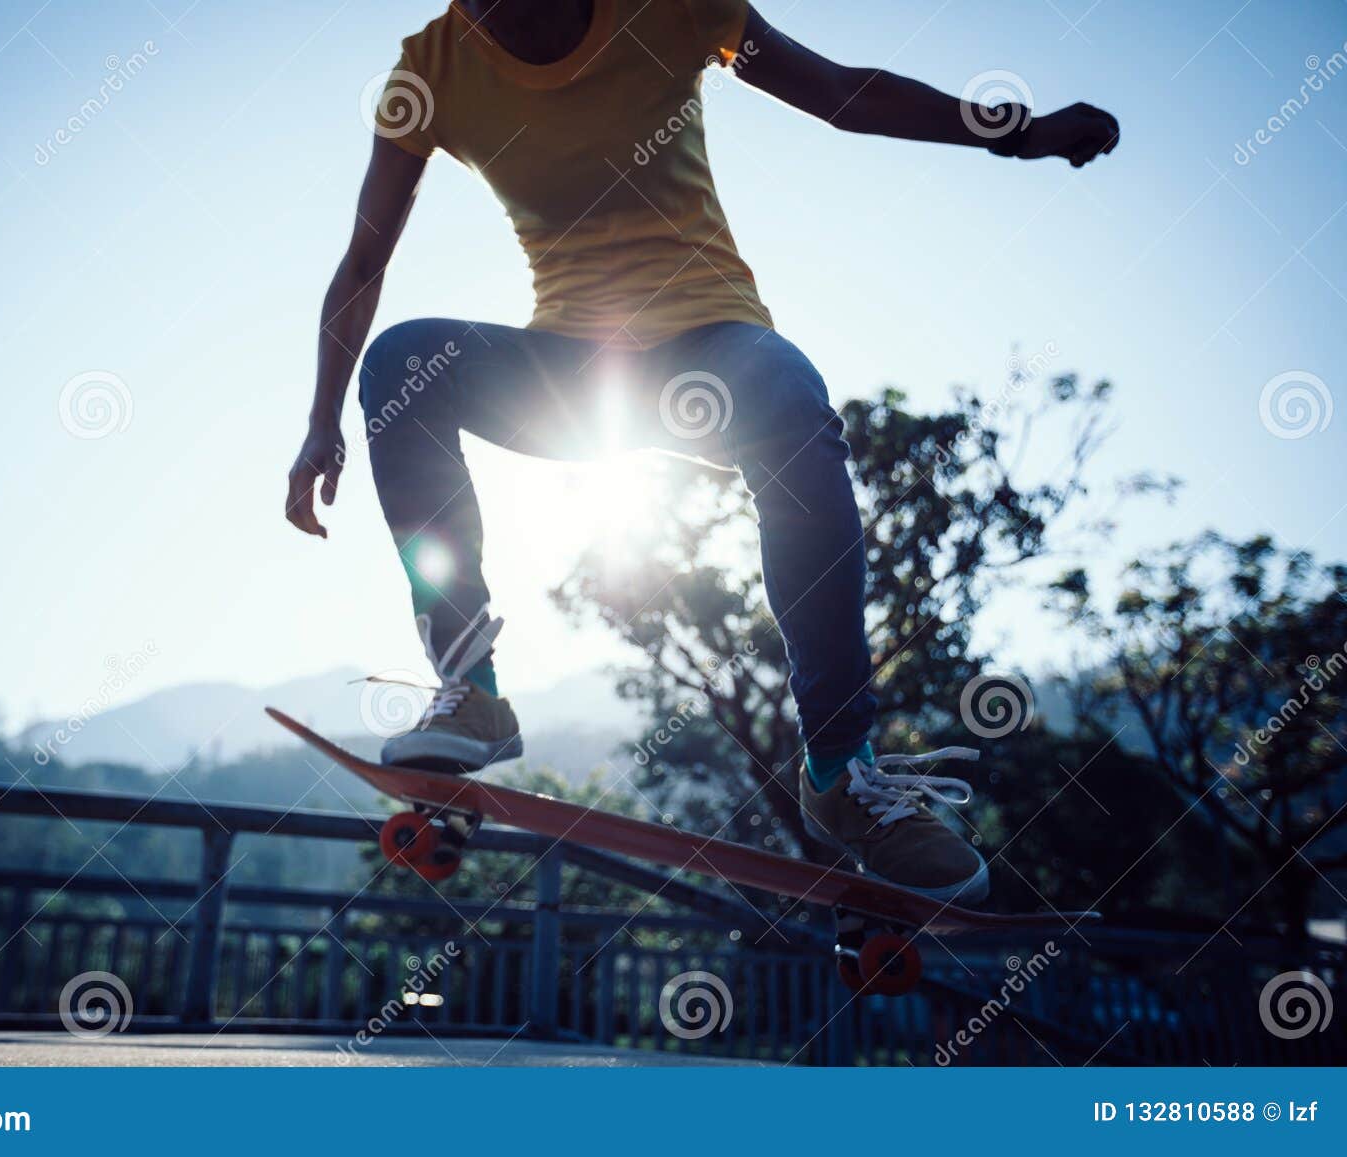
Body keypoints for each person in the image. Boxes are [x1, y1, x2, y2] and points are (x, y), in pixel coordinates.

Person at [286, 1, 1118, 901]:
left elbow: (838, 93)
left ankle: (843, 772)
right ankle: (470, 684)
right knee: (407, 360)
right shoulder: (429, 70)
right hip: (574, 381)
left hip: (713, 354)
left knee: (788, 392)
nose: (499, 17)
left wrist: (1011, 131)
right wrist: (320, 419)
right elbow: (363, 261)